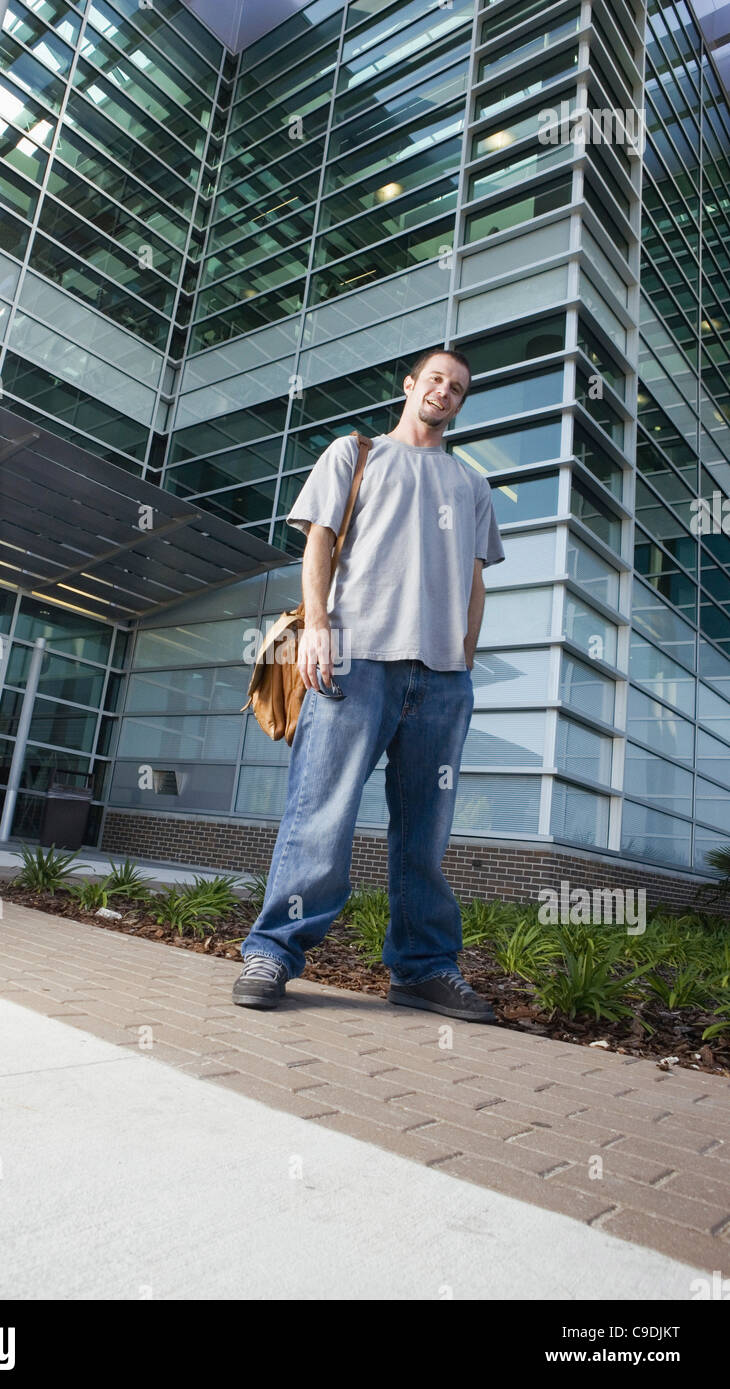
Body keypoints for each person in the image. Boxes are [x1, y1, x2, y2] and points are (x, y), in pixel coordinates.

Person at [233, 348, 505, 1019]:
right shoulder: (354, 454)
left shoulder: (471, 486)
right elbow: (318, 543)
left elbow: (474, 580)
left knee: (426, 835)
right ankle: (274, 950)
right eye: (435, 380)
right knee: (319, 815)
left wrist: (464, 660)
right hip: (355, 663)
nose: (445, 392)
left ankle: (422, 969)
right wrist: (319, 626)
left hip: (442, 681)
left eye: (458, 389)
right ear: (411, 386)